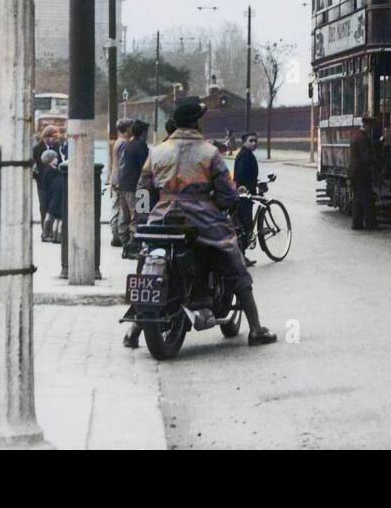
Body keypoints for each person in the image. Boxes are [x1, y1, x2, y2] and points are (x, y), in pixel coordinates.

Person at [136, 98, 276, 345]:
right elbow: (228, 194)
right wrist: (218, 204)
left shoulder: (157, 151)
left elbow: (143, 191)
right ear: (196, 123)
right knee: (234, 258)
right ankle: (255, 328)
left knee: (144, 258)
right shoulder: (209, 152)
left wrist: (143, 218)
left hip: (161, 218)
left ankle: (134, 331)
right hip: (201, 219)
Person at [114, 119, 149, 250]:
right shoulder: (141, 146)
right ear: (144, 132)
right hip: (139, 187)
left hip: (124, 184)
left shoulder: (128, 144)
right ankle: (134, 245)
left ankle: (124, 242)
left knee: (124, 215)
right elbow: (145, 168)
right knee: (139, 215)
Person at [347, 115, 379, 231]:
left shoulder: (356, 135)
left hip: (354, 172)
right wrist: (376, 164)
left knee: (357, 199)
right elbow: (366, 157)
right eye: (370, 126)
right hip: (361, 173)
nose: (371, 129)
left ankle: (357, 223)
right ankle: (370, 224)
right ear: (366, 125)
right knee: (367, 198)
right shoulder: (362, 138)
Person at [234, 132, 260, 264]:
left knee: (243, 225)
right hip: (243, 195)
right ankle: (241, 257)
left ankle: (241, 255)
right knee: (246, 225)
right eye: (251, 141)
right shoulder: (245, 156)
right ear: (244, 142)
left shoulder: (246, 154)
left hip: (244, 193)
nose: (254, 143)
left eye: (255, 141)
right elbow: (241, 174)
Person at [109, 119, 134, 247]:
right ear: (127, 129)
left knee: (116, 207)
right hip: (120, 179)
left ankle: (115, 234)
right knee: (121, 209)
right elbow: (124, 164)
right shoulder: (125, 143)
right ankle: (117, 235)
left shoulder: (118, 141)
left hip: (114, 177)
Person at [32, 125, 63, 224]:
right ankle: (44, 230)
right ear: (46, 137)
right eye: (53, 138)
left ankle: (51, 229)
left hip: (54, 181)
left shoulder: (57, 146)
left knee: (53, 205)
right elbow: (33, 165)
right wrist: (37, 176)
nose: (55, 140)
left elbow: (60, 162)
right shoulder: (37, 148)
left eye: (56, 138)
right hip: (42, 182)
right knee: (43, 205)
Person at [40, 149, 65, 243]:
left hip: (52, 196)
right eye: (55, 158)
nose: (57, 159)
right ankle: (46, 234)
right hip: (52, 196)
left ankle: (48, 234)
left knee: (51, 215)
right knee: (50, 215)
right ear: (50, 159)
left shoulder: (51, 169)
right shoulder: (50, 171)